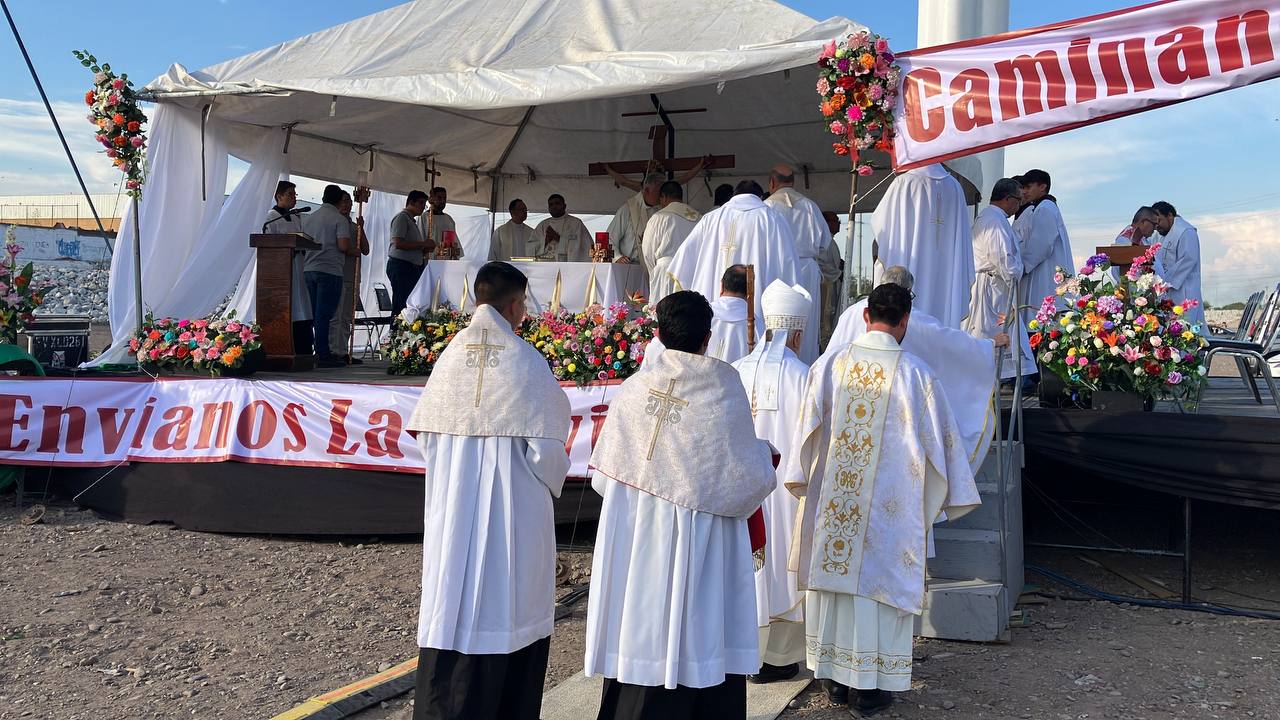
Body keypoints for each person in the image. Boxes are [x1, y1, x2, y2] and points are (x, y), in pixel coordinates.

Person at [788, 283, 982, 715]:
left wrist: (804, 481)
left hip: (835, 506)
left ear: (865, 315)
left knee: (836, 588)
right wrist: (947, 494)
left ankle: (835, 680)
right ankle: (869, 689)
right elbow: (942, 445)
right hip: (889, 513)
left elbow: (805, 432)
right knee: (879, 592)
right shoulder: (916, 374)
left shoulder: (829, 365)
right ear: (905, 321)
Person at [585, 290, 776, 720]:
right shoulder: (724, 386)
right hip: (702, 538)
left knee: (644, 628)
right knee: (701, 628)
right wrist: (765, 455)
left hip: (642, 537)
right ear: (708, 338)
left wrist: (648, 484)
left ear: (658, 334)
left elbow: (603, 479)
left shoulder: (634, 389)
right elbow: (747, 476)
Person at [407, 261, 571, 720]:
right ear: (515, 306)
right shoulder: (525, 362)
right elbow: (546, 453)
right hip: (511, 517)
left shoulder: (448, 359)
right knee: (508, 606)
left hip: (454, 509)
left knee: (452, 607)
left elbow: (427, 440)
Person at [826, 267, 997, 472]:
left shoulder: (849, 314)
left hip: (846, 423)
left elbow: (829, 363)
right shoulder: (911, 329)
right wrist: (988, 346)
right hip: (893, 424)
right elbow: (949, 343)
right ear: (907, 292)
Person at [731, 280, 812, 685]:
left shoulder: (735, 369)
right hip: (786, 492)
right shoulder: (803, 376)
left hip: (743, 490)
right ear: (796, 334)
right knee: (781, 560)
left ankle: (742, 649)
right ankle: (778, 656)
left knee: (745, 562)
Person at [667, 180, 800, 344]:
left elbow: (684, 262)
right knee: (754, 340)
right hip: (755, 309)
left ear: (734, 195)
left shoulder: (711, 218)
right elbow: (788, 266)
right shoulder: (772, 219)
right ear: (760, 197)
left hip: (712, 307)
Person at [871, 163, 975, 329]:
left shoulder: (904, 183)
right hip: (946, 273)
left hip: (910, 265)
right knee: (944, 321)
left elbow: (881, 226)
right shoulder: (955, 188)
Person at [964, 178, 1035, 380]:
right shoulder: (994, 221)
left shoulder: (993, 217)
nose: (1019, 205)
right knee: (988, 332)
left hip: (995, 284)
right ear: (1008, 199)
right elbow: (1002, 257)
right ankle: (986, 379)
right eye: (1019, 200)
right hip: (992, 287)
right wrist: (1016, 272)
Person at [764, 164, 830, 362]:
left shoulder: (767, 207)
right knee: (806, 324)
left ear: (772, 183)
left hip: (778, 270)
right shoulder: (810, 206)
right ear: (793, 182)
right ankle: (805, 364)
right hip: (807, 270)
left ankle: (776, 364)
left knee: (777, 320)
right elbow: (824, 243)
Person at [303, 184, 357, 368]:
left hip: (309, 268)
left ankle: (317, 351)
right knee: (325, 315)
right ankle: (324, 354)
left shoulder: (310, 218)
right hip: (330, 269)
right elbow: (343, 246)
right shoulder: (339, 219)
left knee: (315, 314)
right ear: (338, 200)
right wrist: (354, 250)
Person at [1016, 169, 1073, 329]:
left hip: (1045, 272)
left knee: (1042, 320)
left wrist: (1021, 267)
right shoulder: (1043, 207)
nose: (1025, 192)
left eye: (1028, 187)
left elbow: (1041, 245)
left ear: (1042, 187)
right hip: (1044, 268)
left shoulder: (1045, 208)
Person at [262, 180, 313, 356]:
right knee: (289, 308)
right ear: (279, 196)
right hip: (282, 271)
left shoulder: (296, 217)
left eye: (295, 194)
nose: (294, 198)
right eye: (290, 194)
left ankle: (304, 349)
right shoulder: (271, 217)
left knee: (302, 307)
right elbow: (268, 244)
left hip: (299, 267)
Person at [642, 181, 701, 302]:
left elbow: (648, 251)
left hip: (666, 271)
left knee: (666, 308)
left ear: (663, 197)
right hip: (692, 271)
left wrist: (654, 271)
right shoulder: (699, 218)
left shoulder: (659, 217)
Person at [331, 190, 371, 364]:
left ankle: (343, 350)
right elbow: (338, 246)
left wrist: (361, 228)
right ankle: (334, 350)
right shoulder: (335, 223)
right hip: (339, 273)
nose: (346, 204)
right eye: (343, 201)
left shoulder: (354, 226)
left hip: (353, 275)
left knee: (347, 316)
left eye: (348, 201)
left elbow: (366, 250)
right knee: (337, 315)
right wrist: (350, 251)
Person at [1152, 201, 1206, 329]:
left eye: (1159, 220)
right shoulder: (1160, 234)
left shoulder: (1186, 231)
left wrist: (1166, 282)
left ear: (1170, 215)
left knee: (1185, 328)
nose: (1156, 226)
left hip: (1184, 290)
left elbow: (1189, 258)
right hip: (1168, 291)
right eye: (1154, 223)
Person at [387, 190, 431, 316]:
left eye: (424, 204)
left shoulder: (411, 221)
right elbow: (398, 243)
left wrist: (425, 249)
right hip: (402, 266)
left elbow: (412, 246)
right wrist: (423, 244)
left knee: (409, 304)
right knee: (401, 304)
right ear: (411, 202)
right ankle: (396, 327)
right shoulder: (402, 218)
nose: (423, 207)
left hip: (411, 267)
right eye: (421, 203)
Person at [531, 194, 591, 262]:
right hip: (546, 265)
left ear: (564, 206)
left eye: (557, 203)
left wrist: (558, 238)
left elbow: (584, 247)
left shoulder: (576, 223)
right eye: (551, 204)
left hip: (567, 265)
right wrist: (545, 241)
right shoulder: (543, 225)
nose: (554, 207)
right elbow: (530, 248)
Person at [817, 211, 845, 343]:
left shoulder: (830, 240)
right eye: (835, 221)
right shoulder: (822, 240)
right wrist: (838, 273)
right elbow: (821, 264)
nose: (838, 224)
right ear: (825, 223)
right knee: (825, 320)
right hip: (825, 286)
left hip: (833, 284)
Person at [418, 186, 462, 258]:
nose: (442, 201)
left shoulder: (449, 219)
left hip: (446, 258)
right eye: (439, 198)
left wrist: (454, 256)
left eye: (444, 198)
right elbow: (420, 239)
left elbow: (453, 242)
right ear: (431, 199)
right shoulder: (424, 217)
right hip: (429, 257)